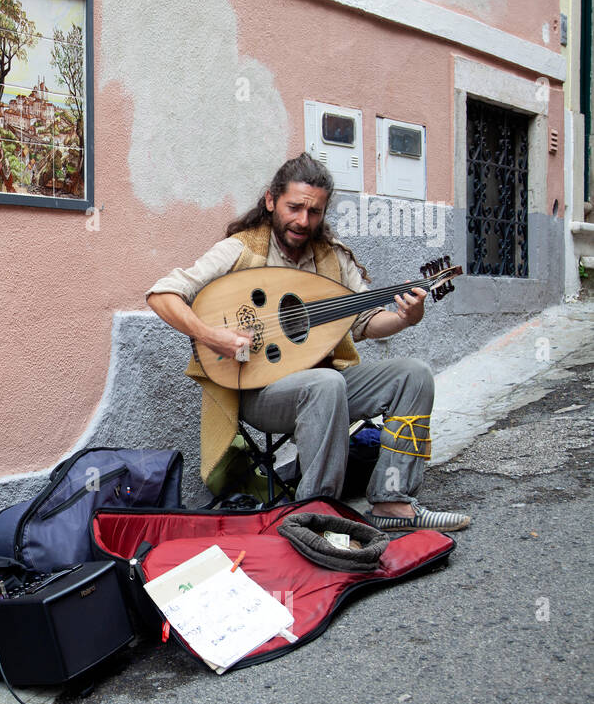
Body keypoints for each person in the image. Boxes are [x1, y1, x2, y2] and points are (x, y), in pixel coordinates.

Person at [146, 153, 469, 532]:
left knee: (413, 375)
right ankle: (315, 517)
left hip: (325, 381)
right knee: (326, 383)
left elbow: (364, 323)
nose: (303, 221)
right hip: (259, 391)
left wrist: (404, 317)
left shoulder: (332, 258)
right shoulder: (242, 249)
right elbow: (162, 294)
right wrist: (211, 336)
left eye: (314, 211)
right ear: (270, 201)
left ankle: (392, 502)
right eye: (294, 207)